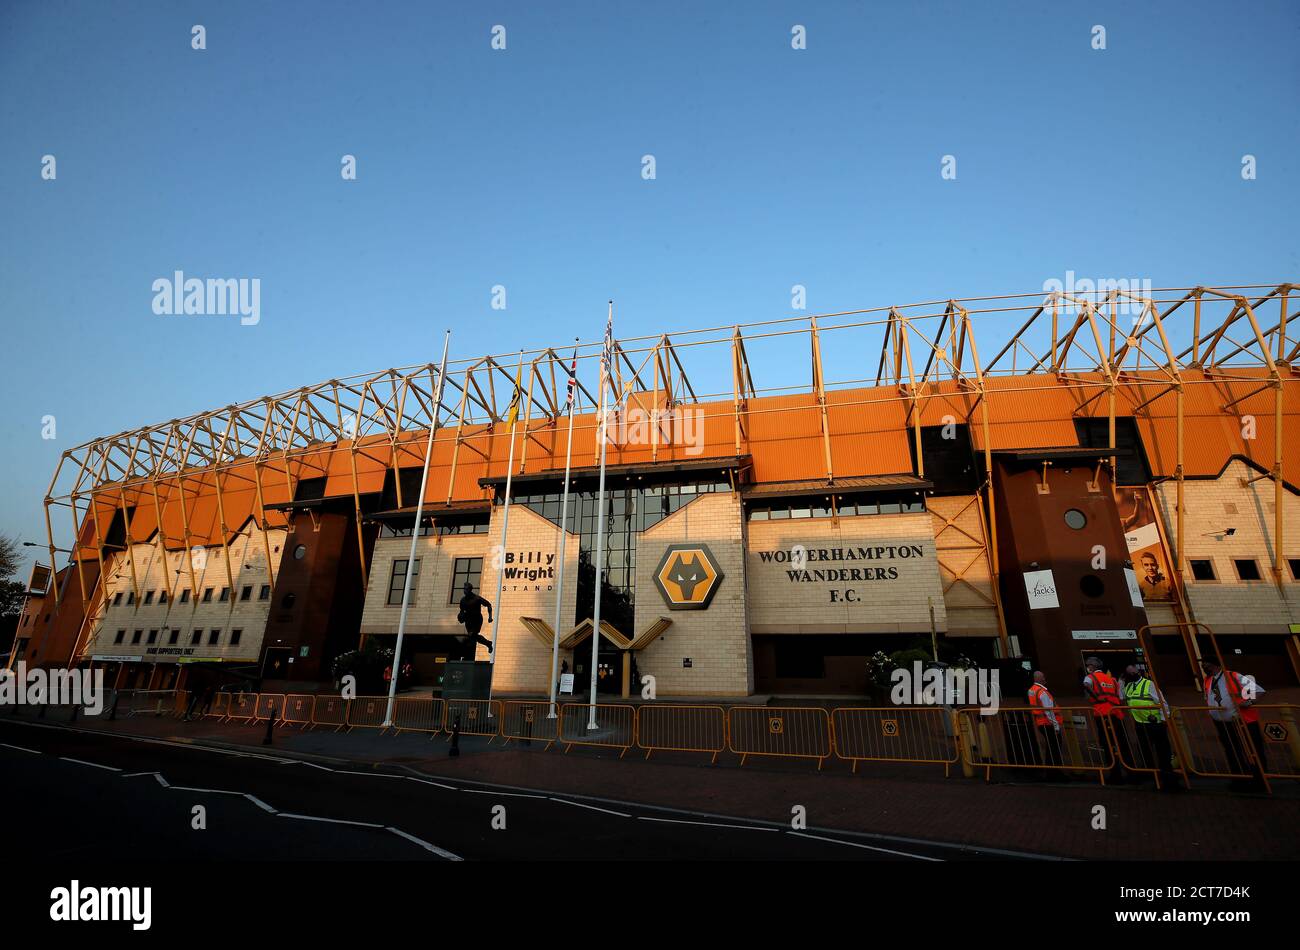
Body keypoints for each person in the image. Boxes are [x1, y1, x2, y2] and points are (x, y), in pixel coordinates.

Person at [1202, 658, 1267, 789]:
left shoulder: (1233, 676)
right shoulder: (1207, 680)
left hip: (1243, 720)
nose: (1205, 669)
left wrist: (1248, 702)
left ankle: (1260, 778)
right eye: (1203, 666)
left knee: (1253, 748)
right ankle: (1239, 778)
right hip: (1222, 722)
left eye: (1208, 666)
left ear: (1216, 665)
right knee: (1232, 750)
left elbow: (1258, 691)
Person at [1122, 664, 1176, 787]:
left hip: (1155, 723)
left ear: (1138, 672)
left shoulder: (1149, 684)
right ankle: (1150, 772)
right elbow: (1122, 696)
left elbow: (1162, 702)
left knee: (1162, 750)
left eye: (1133, 672)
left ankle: (1167, 775)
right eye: (1128, 673)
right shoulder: (1128, 686)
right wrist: (1121, 681)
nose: (1131, 675)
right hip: (1140, 723)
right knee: (1144, 749)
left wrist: (1164, 719)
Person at [1083, 656, 1134, 782]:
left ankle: (1115, 775)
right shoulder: (1112, 679)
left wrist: (1096, 697)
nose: (1087, 667)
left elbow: (1086, 685)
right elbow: (1120, 696)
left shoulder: (1090, 677)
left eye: (1088, 665)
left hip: (1102, 714)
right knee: (1123, 743)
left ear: (1092, 666)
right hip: (1116, 713)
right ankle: (1132, 772)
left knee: (1108, 744)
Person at [1027, 671, 1064, 767]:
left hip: (1041, 722)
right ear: (1038, 678)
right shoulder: (1042, 692)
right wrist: (1056, 726)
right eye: (1043, 677)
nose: (1044, 678)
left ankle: (1051, 770)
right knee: (1054, 748)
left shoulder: (1031, 690)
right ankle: (1054, 771)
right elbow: (1049, 711)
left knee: (1051, 748)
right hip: (1048, 723)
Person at [457, 582, 494, 655]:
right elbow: (461, 611)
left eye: (466, 589)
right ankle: (488, 643)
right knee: (473, 636)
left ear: (470, 590)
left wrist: (490, 617)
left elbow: (488, 604)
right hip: (468, 620)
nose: (465, 591)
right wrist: (461, 617)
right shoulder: (463, 600)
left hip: (477, 619)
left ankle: (487, 643)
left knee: (472, 634)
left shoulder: (477, 598)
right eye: (464, 589)